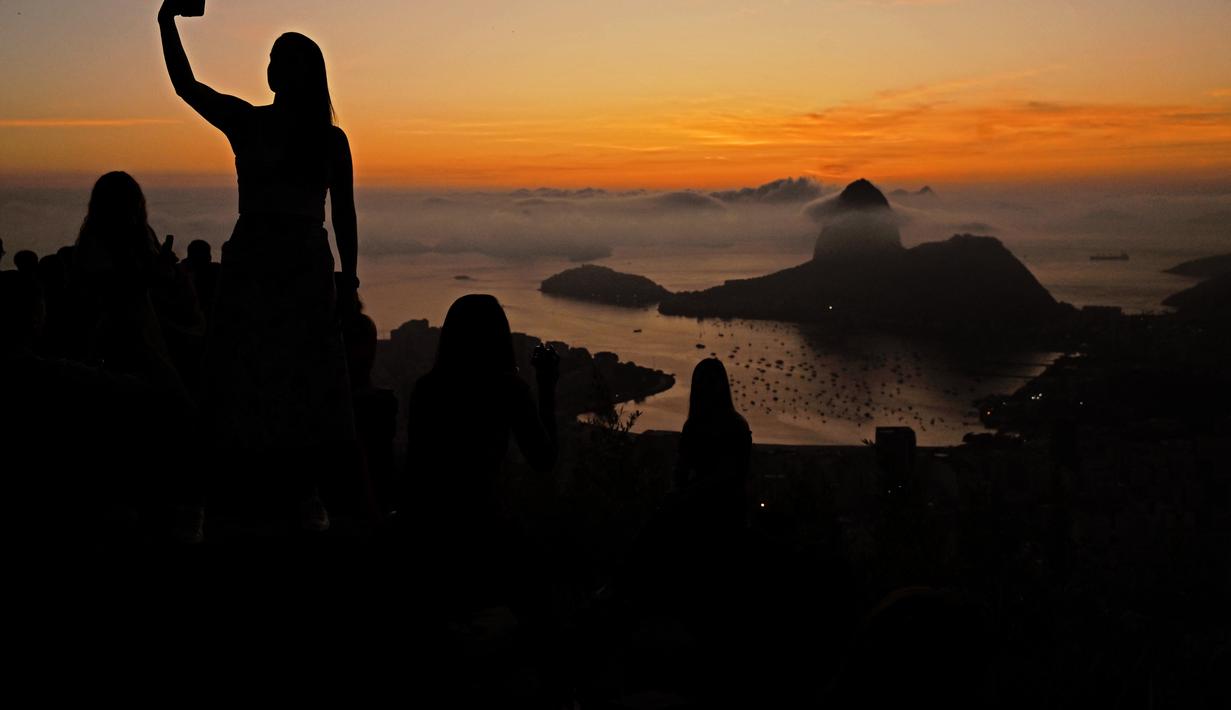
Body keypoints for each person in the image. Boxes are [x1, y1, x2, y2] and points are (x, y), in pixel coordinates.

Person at [159, 3, 358, 531]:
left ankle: (246, 493)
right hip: (298, 260)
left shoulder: (255, 124)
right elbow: (344, 217)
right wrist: (348, 280)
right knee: (296, 375)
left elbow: (187, 86)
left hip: (262, 258)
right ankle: (296, 494)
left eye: (278, 59)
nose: (271, 67)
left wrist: (166, 22)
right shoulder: (323, 137)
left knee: (248, 372)